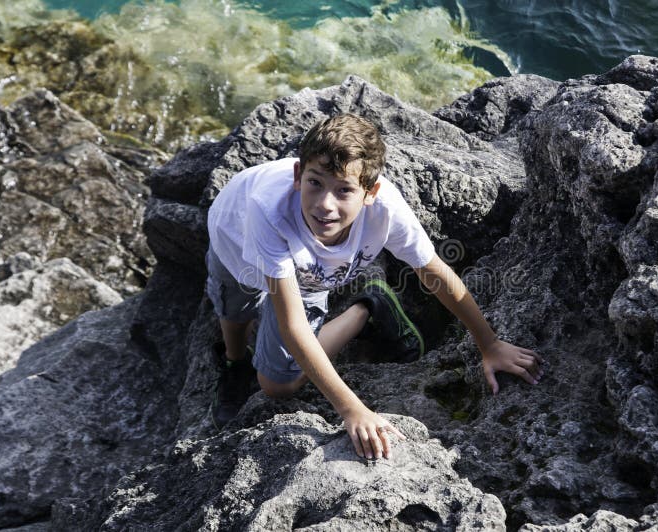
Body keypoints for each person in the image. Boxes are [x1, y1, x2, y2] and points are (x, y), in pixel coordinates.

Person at [205, 113, 542, 460]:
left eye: (344, 190)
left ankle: (366, 308)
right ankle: (234, 363)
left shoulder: (387, 210)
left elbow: (435, 272)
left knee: (278, 385)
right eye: (315, 182)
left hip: (305, 274)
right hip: (234, 240)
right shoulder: (268, 210)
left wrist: (489, 343)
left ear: (370, 192)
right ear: (297, 175)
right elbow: (292, 326)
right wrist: (352, 409)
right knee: (233, 309)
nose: (325, 204)